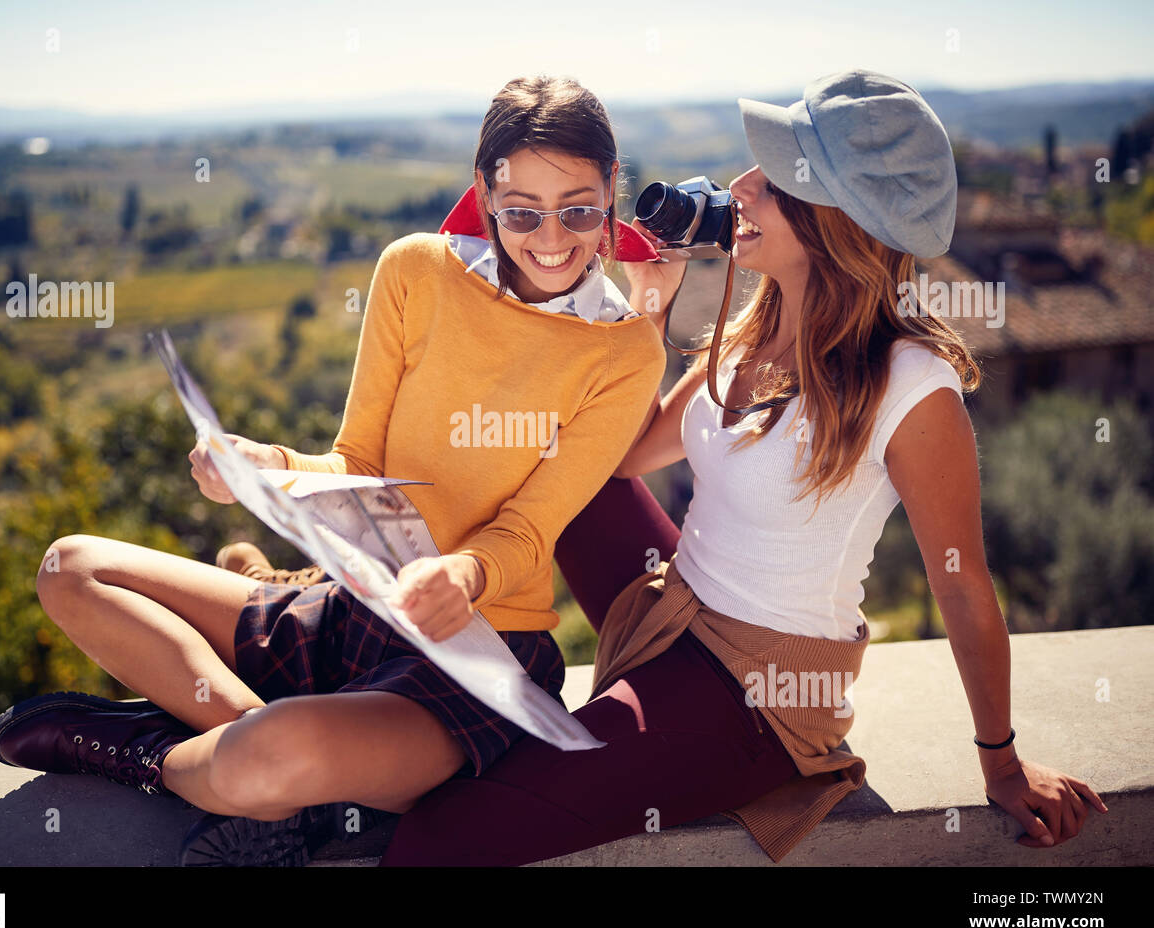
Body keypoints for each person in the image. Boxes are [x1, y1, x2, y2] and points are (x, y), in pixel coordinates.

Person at [379, 69, 1108, 866]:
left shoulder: (911, 386)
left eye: (778, 179)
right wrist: (649, 305)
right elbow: (621, 454)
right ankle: (405, 613)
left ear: (840, 221)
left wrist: (1001, 763)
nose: (742, 188)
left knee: (443, 835)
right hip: (674, 601)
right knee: (562, 461)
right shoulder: (752, 332)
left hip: (756, 689)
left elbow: (962, 586)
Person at [0, 74, 668, 866]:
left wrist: (464, 573)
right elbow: (356, 464)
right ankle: (261, 760)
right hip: (350, 610)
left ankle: (146, 750)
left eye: (579, 210)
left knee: (268, 759)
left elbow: (528, 528)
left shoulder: (625, 350)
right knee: (69, 570)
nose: (551, 238)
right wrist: (263, 466)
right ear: (485, 194)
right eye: (521, 211)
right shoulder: (415, 272)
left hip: (477, 655)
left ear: (611, 188)